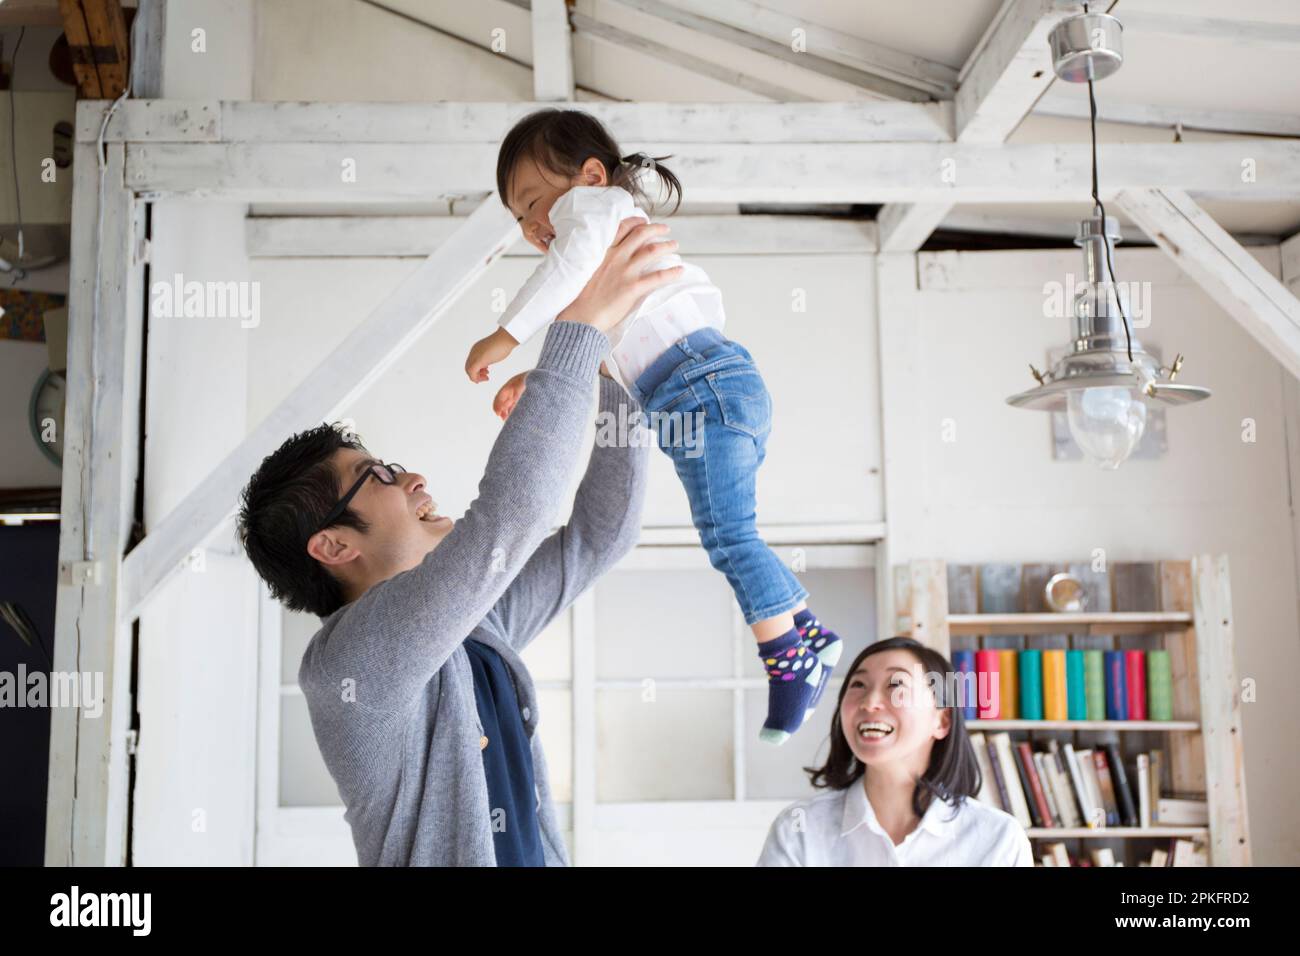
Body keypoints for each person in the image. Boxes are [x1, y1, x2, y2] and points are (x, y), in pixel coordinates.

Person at [236, 217, 680, 866]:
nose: (411, 477)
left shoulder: (478, 628)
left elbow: (599, 536)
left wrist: (613, 376)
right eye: (378, 476)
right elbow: (511, 519)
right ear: (332, 547)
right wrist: (577, 332)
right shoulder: (348, 665)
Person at [466, 108, 843, 745]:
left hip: (706, 388)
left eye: (533, 201)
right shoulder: (607, 258)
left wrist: (505, 336)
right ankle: (808, 634)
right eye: (518, 218)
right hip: (700, 396)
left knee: (730, 537)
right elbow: (604, 343)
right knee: (728, 535)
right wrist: (536, 377)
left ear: (589, 175)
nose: (531, 225)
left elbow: (562, 277)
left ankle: (791, 664)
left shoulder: (598, 212)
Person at [758, 637, 1034, 866]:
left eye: (896, 685)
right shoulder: (799, 829)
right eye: (858, 685)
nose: (870, 702)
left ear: (942, 721)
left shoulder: (998, 837)